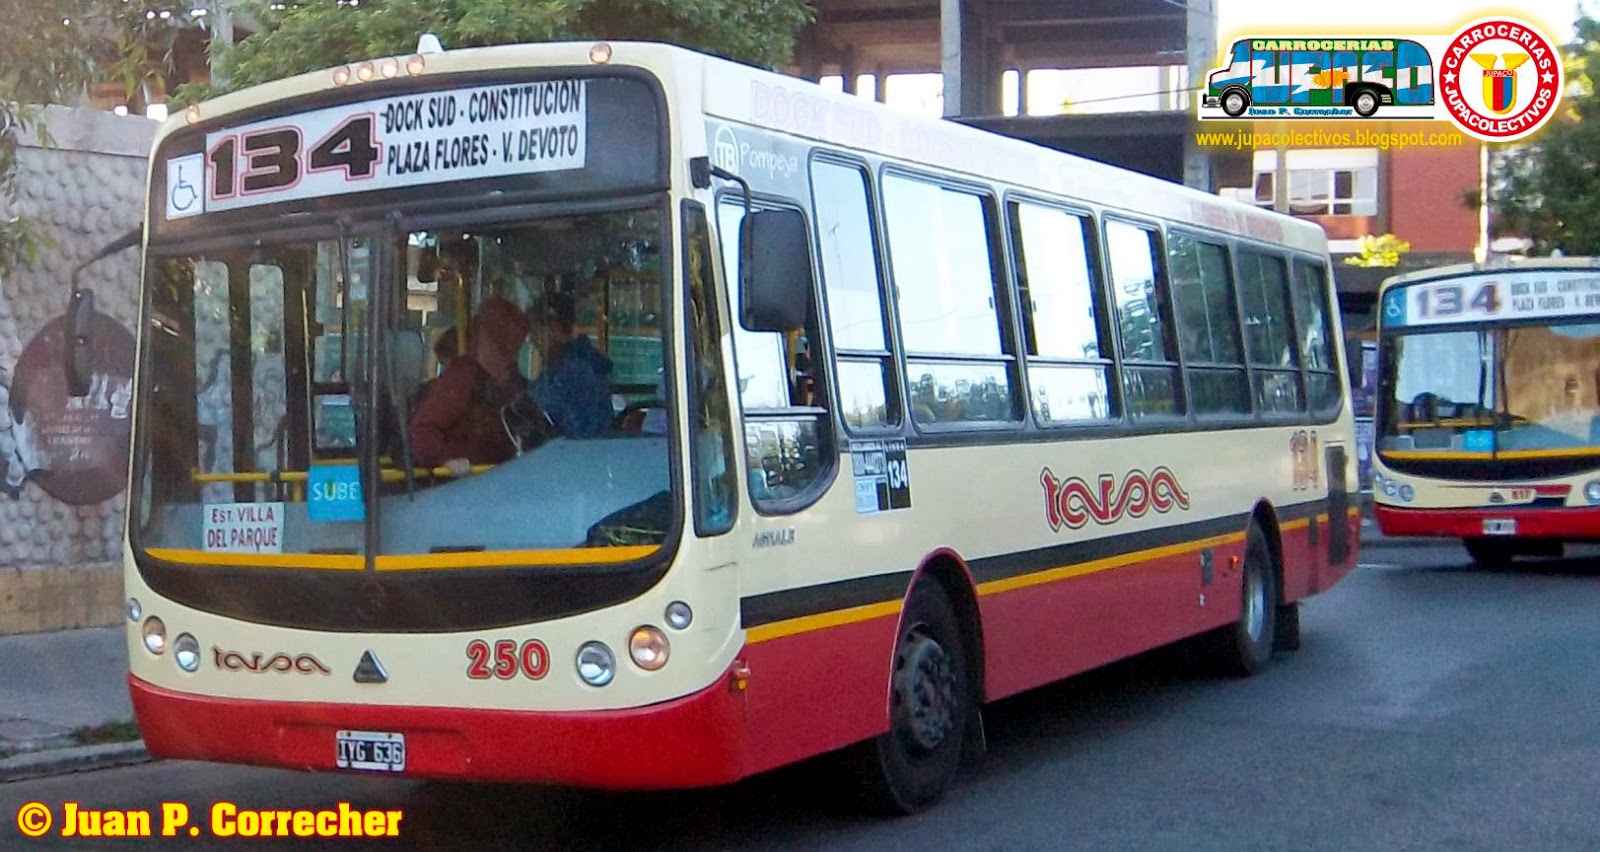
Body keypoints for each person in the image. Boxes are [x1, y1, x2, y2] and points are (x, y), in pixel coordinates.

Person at [409, 296, 546, 476]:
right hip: (465, 487)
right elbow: (422, 429)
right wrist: (445, 460)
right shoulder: (463, 378)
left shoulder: (512, 381)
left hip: (503, 480)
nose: (510, 353)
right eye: (504, 345)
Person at [530, 292, 614, 438]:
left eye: (535, 332)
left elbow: (541, 411)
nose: (532, 340)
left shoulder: (573, 371)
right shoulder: (568, 364)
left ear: (553, 328)